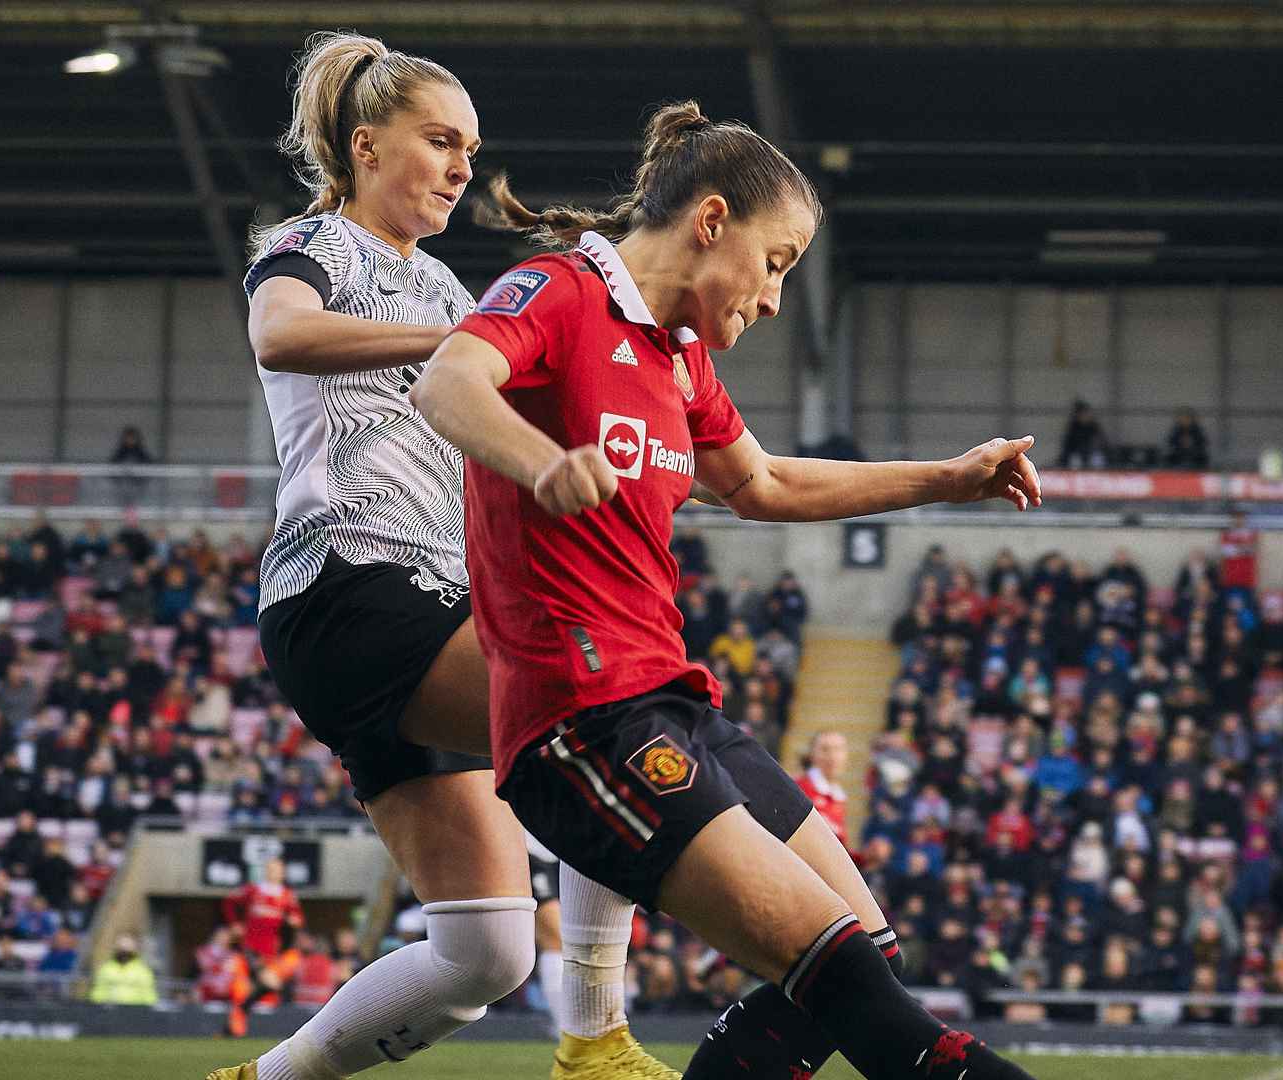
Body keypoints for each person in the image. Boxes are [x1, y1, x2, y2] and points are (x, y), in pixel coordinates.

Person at [413, 99, 1041, 1080]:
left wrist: (947, 479)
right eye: (778, 261)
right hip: (583, 724)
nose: (777, 297)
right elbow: (447, 383)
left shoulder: (680, 356)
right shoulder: (560, 288)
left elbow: (764, 483)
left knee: (868, 952)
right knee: (852, 988)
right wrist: (541, 462)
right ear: (713, 222)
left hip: (672, 706)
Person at [207, 31, 669, 1080]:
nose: (463, 166)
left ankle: (263, 1079)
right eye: (441, 141)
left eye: (471, 146)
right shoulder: (314, 249)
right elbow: (279, 337)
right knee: (614, 723)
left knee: (484, 950)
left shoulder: (452, 290)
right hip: (356, 590)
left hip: (429, 610)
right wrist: (448, 348)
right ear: (366, 148)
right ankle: (594, 1034)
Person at [796, 731, 851, 847]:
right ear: (811, 755)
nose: (832, 756)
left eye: (838, 749)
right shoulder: (799, 789)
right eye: (825, 750)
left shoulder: (839, 796)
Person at [89, 933, 159, 1006]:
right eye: (122, 948)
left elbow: (149, 995)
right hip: (110, 1011)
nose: (124, 952)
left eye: (128, 949)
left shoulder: (143, 971)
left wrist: (149, 1009)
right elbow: (98, 992)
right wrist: (97, 1004)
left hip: (135, 1011)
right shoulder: (106, 969)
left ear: (135, 949)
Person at [1057, 399, 1109, 469]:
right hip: (1078, 455)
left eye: (1086, 413)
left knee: (1097, 459)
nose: (1084, 416)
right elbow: (1068, 447)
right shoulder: (1073, 428)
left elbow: (1102, 443)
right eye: (1082, 414)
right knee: (1075, 460)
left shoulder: (1094, 427)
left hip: (1091, 454)